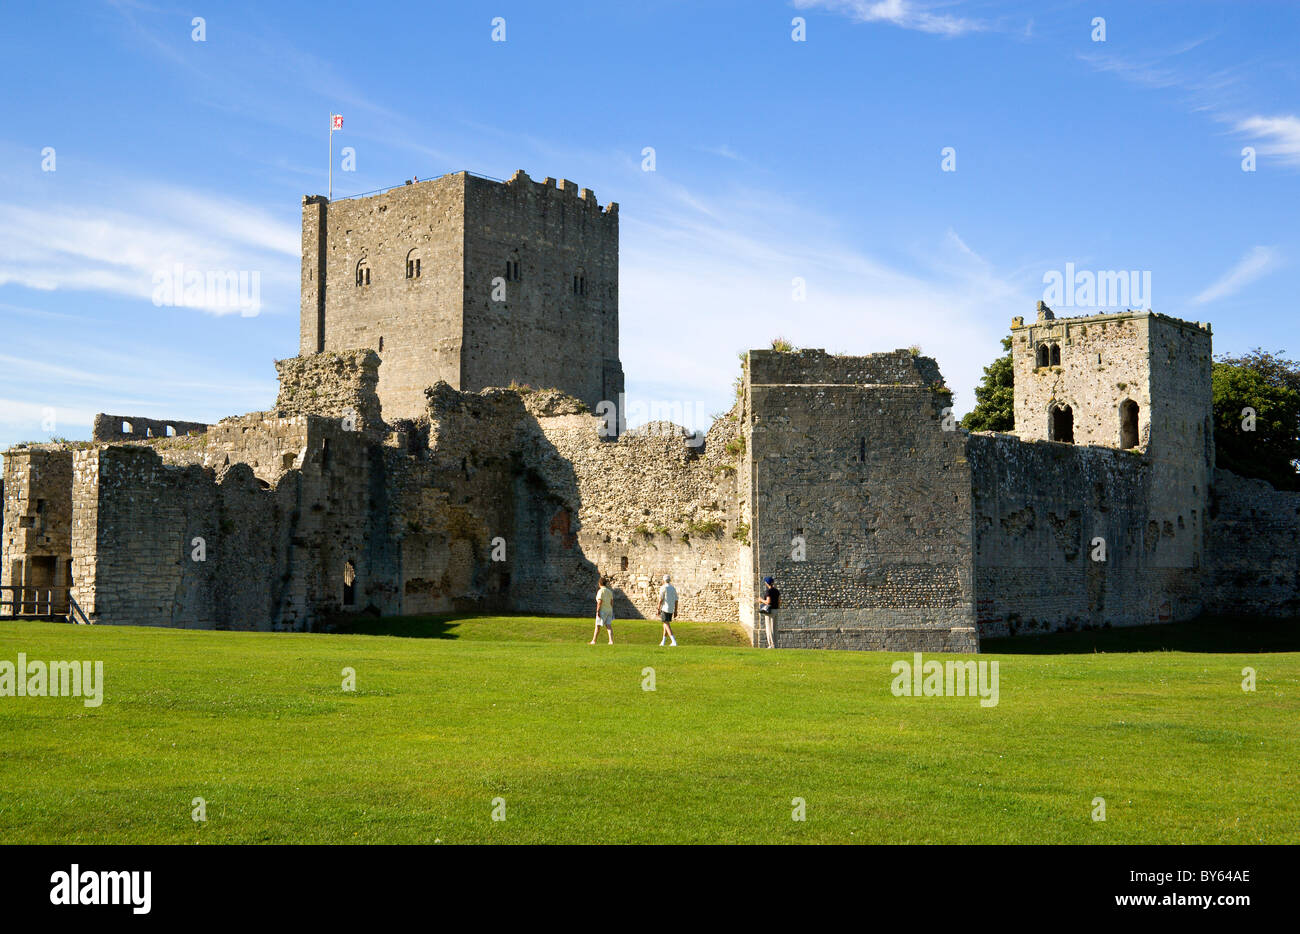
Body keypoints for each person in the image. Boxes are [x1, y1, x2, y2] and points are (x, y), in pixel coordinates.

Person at [590, 575, 615, 644]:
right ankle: (611, 641)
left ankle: (594, 641)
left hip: (602, 610)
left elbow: (600, 602)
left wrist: (597, 611)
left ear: (599, 583)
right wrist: (611, 610)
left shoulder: (600, 591)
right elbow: (612, 602)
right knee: (608, 625)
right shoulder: (609, 591)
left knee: (597, 626)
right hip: (609, 610)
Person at [657, 574, 678, 647]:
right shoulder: (673, 588)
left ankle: (673, 641)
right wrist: (675, 610)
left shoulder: (663, 587)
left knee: (666, 624)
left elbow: (661, 599)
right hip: (671, 608)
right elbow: (676, 600)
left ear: (663, 580)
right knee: (665, 625)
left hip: (665, 608)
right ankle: (663, 641)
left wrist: (658, 608)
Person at [759, 576, 780, 648]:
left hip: (770, 611)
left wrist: (761, 600)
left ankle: (771, 645)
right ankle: (776, 645)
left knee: (769, 628)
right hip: (776, 610)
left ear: (767, 583)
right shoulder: (777, 591)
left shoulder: (768, 591)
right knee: (774, 628)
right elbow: (779, 601)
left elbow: (768, 602)